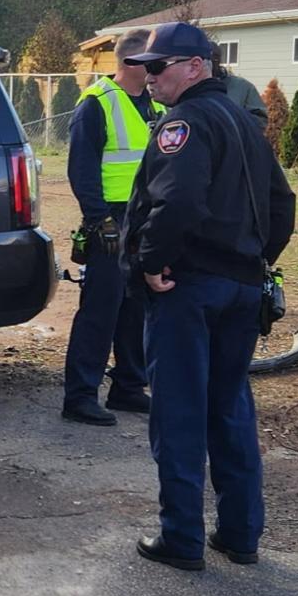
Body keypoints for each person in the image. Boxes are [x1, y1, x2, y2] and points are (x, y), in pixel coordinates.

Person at [121, 21, 295, 571]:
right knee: (230, 407)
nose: (149, 77)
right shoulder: (244, 125)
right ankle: (241, 534)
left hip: (188, 288)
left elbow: (177, 203)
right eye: (146, 67)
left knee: (178, 409)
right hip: (241, 288)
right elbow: (282, 206)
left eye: (159, 66)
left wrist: (150, 263)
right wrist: (253, 259)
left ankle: (182, 538)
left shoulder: (185, 123)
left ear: (196, 67)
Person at [62, 27, 166, 426]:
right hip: (110, 220)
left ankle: (128, 387)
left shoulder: (154, 106)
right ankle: (80, 396)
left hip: (143, 217)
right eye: (152, 62)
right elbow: (81, 170)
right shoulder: (97, 103)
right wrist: (98, 220)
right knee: (100, 310)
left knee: (135, 306)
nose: (159, 70)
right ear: (129, 63)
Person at [210, 43, 267, 127]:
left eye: (213, 59)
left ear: (218, 60)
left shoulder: (243, 87)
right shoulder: (188, 86)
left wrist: (231, 124)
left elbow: (261, 120)